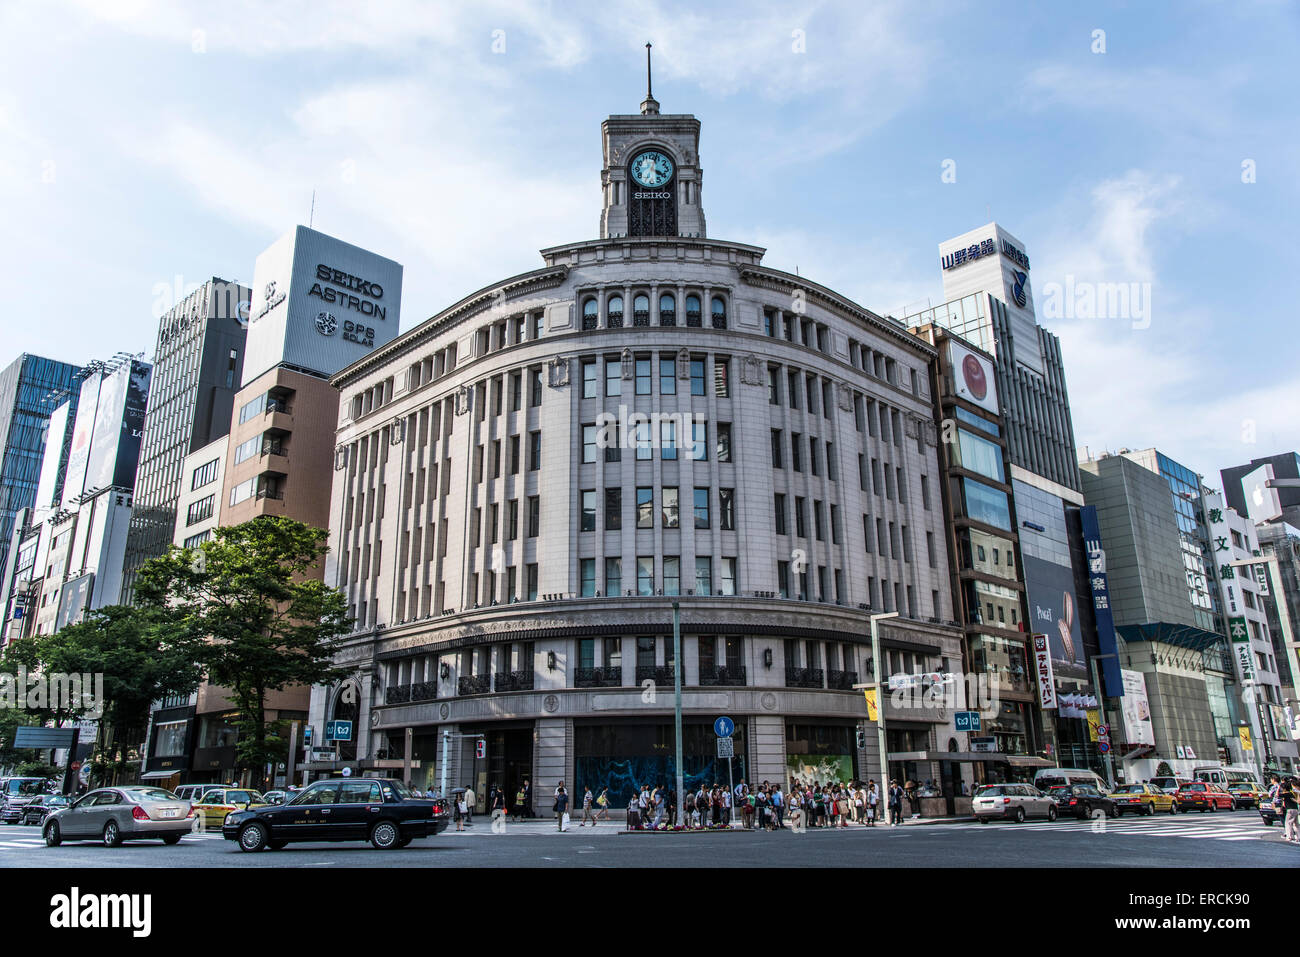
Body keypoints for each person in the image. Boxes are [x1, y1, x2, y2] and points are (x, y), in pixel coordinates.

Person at [1280, 778, 1299, 844]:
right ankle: (1298, 837)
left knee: (1288, 823)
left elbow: (1277, 795)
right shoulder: (1292, 793)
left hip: (1290, 810)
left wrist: (1278, 788)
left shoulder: (1286, 794)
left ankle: (1290, 836)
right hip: (1295, 809)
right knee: (1296, 824)